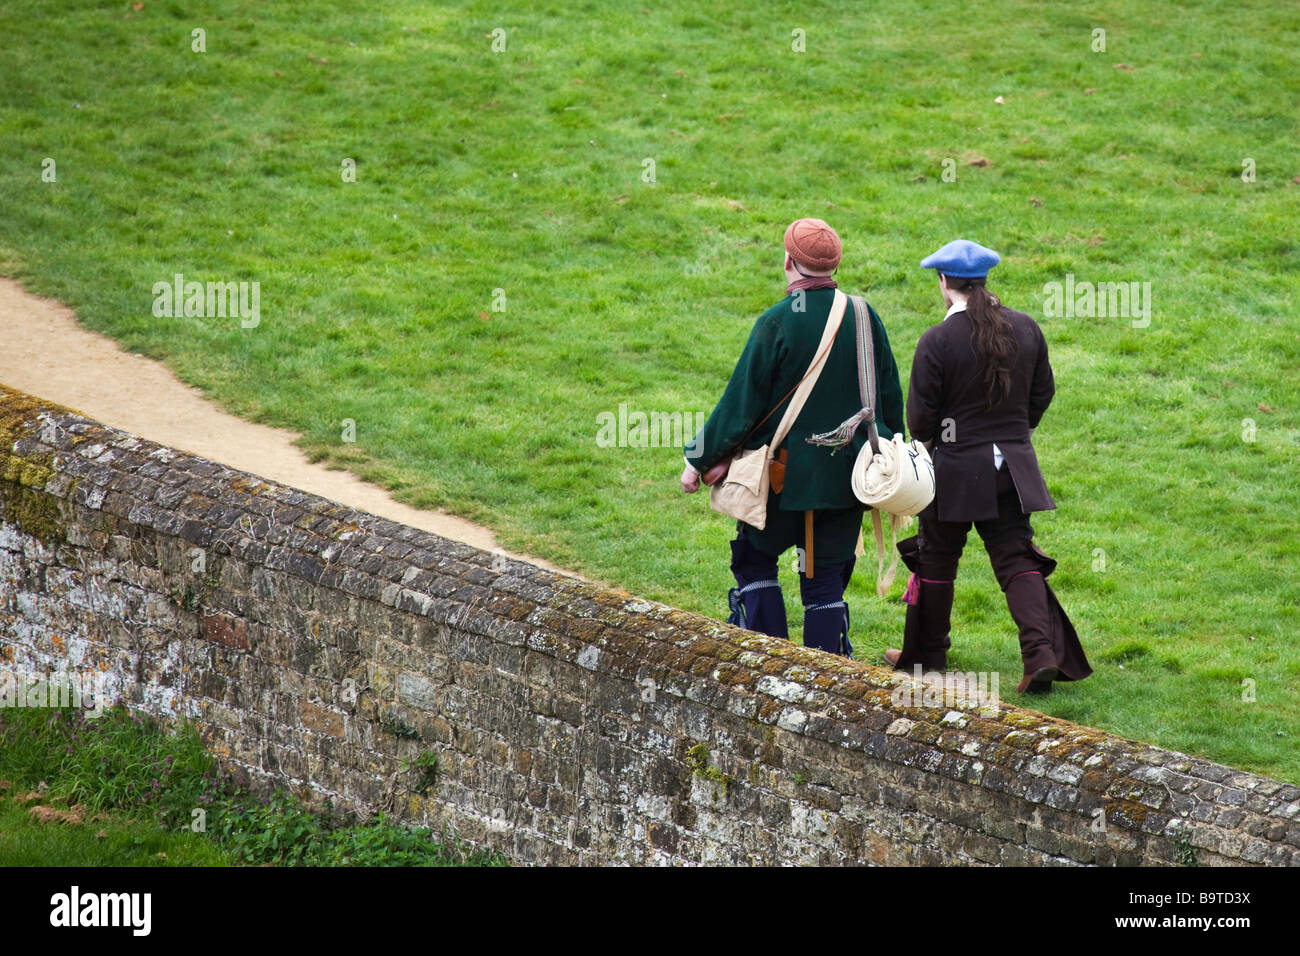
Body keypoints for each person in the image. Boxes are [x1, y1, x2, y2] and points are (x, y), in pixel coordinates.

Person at [680, 218, 904, 656]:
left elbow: (739, 404)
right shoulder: (864, 315)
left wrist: (699, 460)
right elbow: (889, 400)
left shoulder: (777, 322)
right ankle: (829, 677)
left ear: (788, 261)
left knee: (755, 562)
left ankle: (769, 663)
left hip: (781, 481)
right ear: (834, 266)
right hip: (848, 481)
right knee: (823, 580)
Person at [886, 239, 1092, 693]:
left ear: (943, 283)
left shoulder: (936, 340)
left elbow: (919, 421)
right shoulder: (1026, 327)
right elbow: (1043, 394)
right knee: (1017, 558)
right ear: (982, 279)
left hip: (955, 471)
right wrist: (1016, 436)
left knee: (937, 557)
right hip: (1013, 470)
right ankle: (1039, 656)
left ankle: (928, 657)